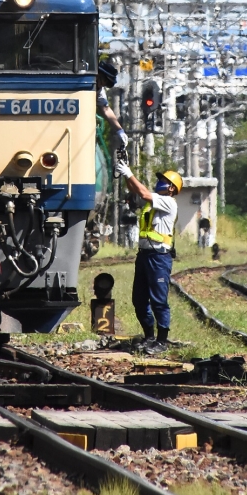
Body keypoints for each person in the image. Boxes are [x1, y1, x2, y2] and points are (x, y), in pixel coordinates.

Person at [114, 159, 183, 354]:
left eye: (164, 180)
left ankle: (162, 341)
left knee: (159, 300)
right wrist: (125, 170)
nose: (160, 182)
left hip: (159, 257)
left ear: (172, 188)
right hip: (144, 256)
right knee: (139, 299)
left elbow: (143, 192)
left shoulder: (168, 202)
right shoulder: (154, 202)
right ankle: (149, 337)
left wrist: (128, 172)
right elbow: (137, 191)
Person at [96, 59, 128, 152]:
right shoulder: (82, 77)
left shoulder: (99, 91)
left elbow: (106, 109)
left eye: (105, 83)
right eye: (103, 80)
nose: (102, 84)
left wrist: (120, 130)